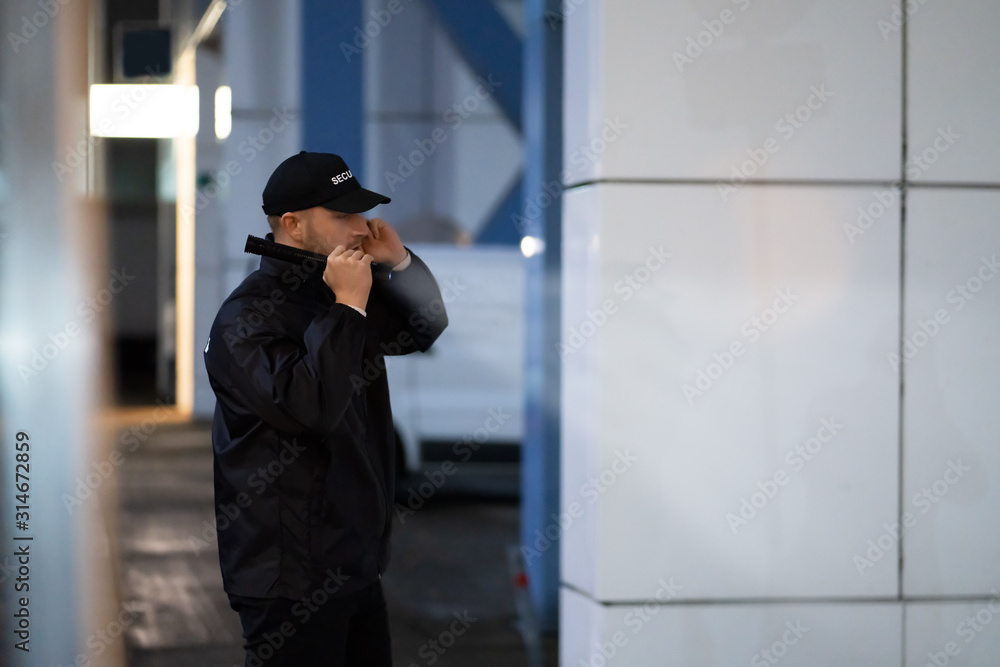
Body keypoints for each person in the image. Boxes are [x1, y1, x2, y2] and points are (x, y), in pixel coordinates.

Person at [203, 151, 449, 666]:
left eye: (361, 214)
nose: (360, 229)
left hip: (352, 562)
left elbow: (422, 328)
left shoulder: (333, 292)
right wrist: (348, 307)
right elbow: (309, 407)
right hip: (290, 574)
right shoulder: (246, 319)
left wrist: (399, 262)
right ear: (291, 224)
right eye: (342, 217)